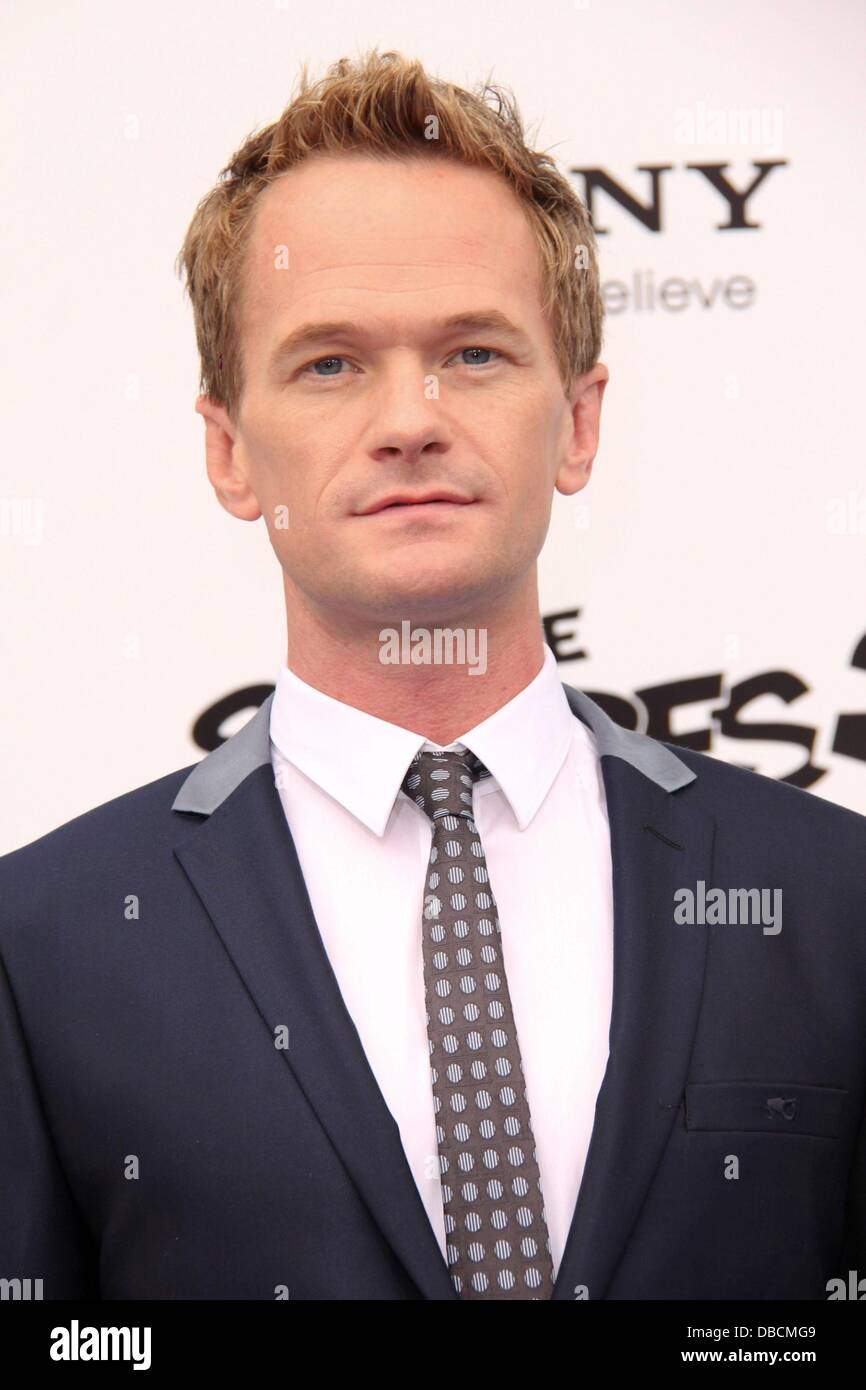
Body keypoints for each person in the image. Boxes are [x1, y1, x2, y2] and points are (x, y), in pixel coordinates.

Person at [1, 49, 864, 1302]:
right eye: (330, 362)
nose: (410, 418)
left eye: (472, 353)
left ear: (576, 423)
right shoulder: (44, 946)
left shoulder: (828, 901)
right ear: (230, 452)